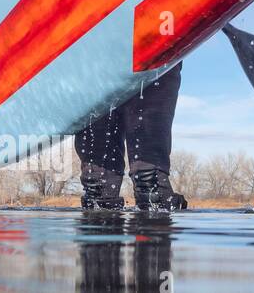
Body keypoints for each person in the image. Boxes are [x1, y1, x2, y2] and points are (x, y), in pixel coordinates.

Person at [74, 63, 187, 211]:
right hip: (148, 54)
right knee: (147, 184)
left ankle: (147, 192)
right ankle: (151, 196)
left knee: (99, 188)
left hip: (88, 55)